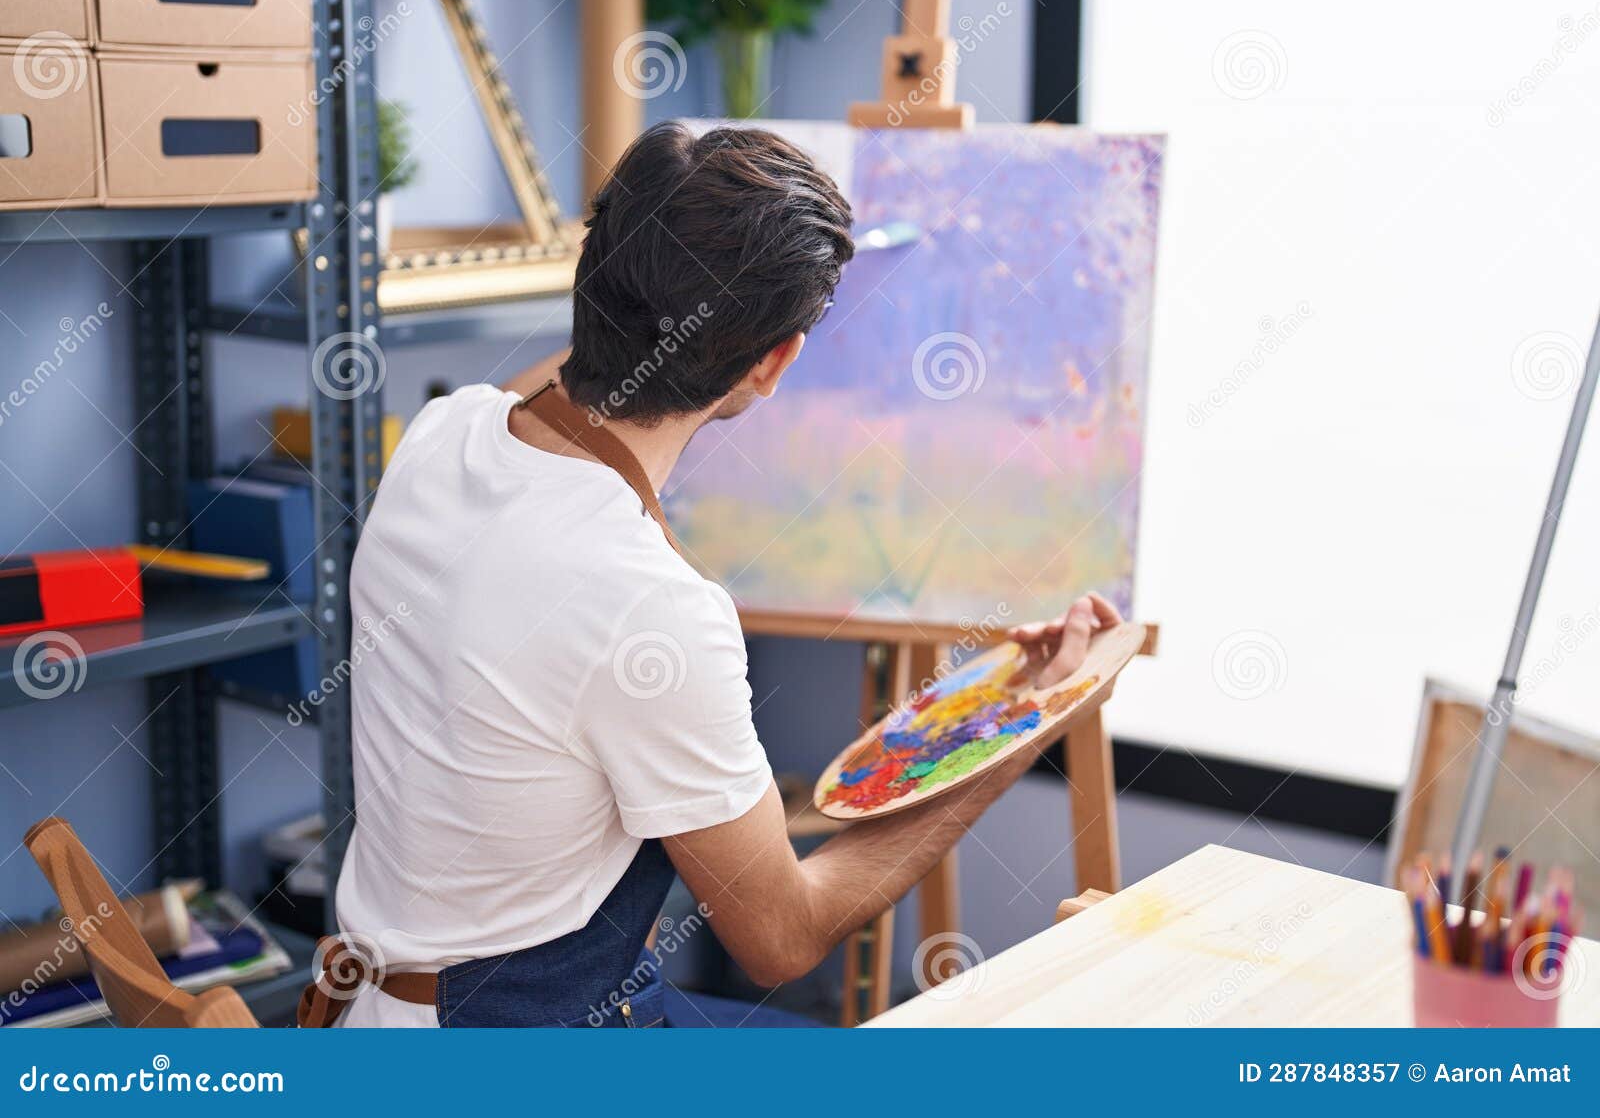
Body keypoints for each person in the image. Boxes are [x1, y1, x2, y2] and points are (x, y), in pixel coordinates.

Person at [311, 122, 1123, 1028]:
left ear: (591, 272)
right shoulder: (650, 608)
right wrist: (1023, 722)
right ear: (775, 363)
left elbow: (570, 377)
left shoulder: (445, 434)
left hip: (367, 1013)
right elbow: (783, 936)